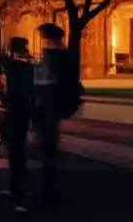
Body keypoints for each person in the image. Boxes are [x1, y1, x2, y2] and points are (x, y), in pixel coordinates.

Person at [35, 23, 80, 209]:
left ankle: (50, 194)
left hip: (48, 109)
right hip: (46, 109)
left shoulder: (55, 58)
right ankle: (48, 191)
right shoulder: (54, 58)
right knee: (47, 151)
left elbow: (54, 84)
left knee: (48, 151)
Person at [0, 37, 34, 212]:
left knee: (15, 152)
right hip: (24, 112)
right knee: (18, 152)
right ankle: (17, 190)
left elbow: (9, 91)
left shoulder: (12, 68)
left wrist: (0, 95)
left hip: (14, 112)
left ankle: (19, 193)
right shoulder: (30, 68)